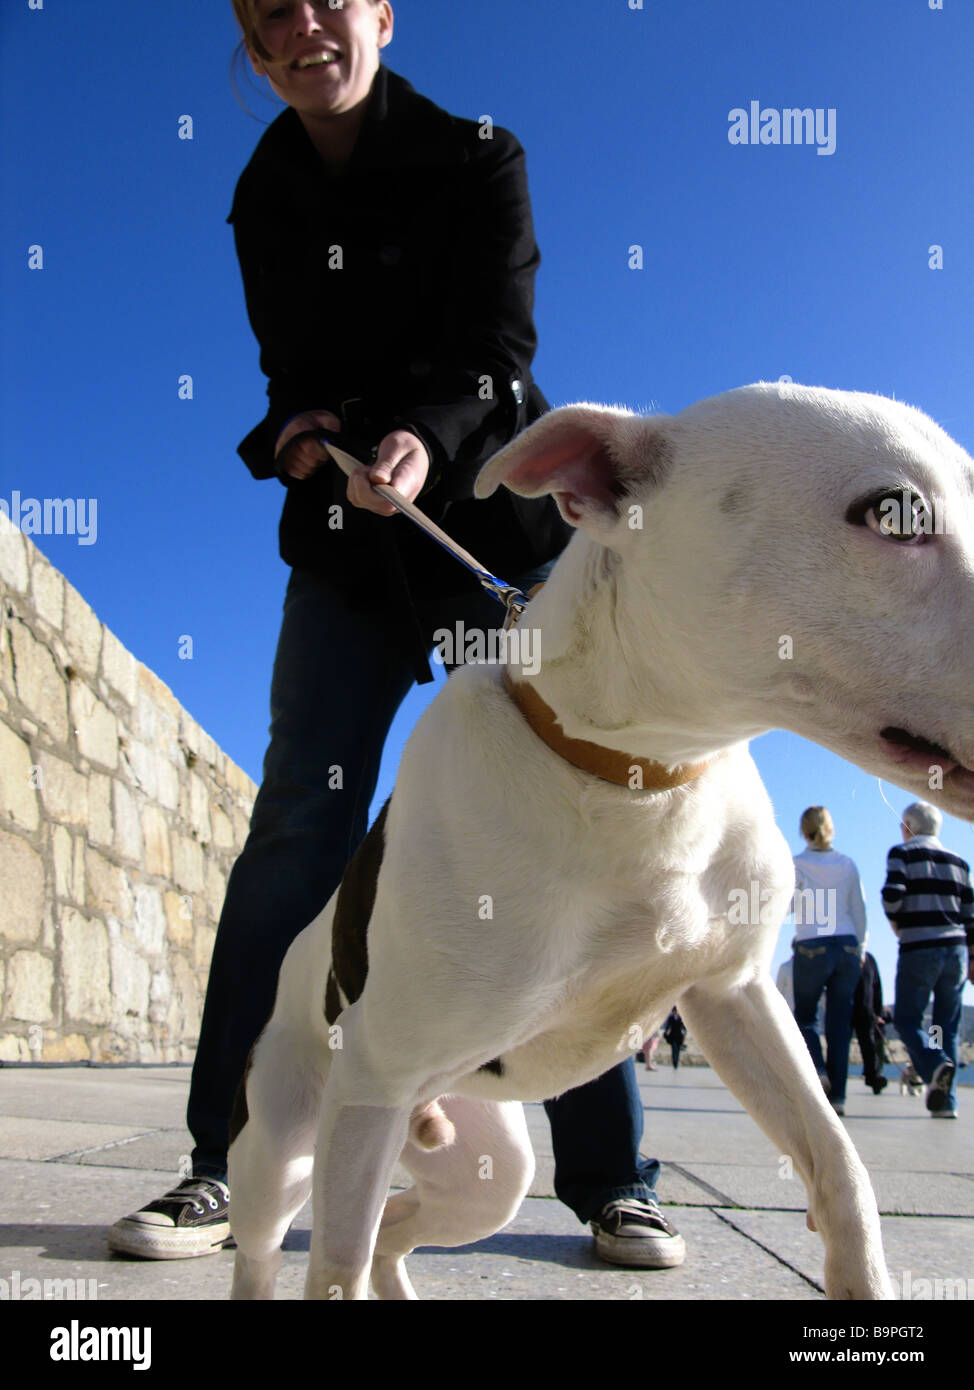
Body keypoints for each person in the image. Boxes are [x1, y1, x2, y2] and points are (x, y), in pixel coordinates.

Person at [108, 0, 684, 1273]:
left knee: (565, 824)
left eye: (328, 0)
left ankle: (609, 1180)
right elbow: (282, 377)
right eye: (268, 14)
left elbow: (499, 353)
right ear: (253, 50)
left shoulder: (481, 153)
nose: (301, 26)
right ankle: (219, 1161)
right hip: (344, 553)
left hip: (488, 534)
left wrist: (431, 438)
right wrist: (299, 437)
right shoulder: (262, 192)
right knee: (301, 827)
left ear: (379, 14)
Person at [883, 801, 974, 1118]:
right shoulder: (961, 862)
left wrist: (897, 924)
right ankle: (946, 1105)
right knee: (947, 1028)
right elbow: (969, 916)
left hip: (919, 947)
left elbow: (893, 896)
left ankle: (935, 1066)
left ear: (908, 826)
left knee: (907, 1020)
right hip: (957, 952)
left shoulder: (902, 853)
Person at [791, 807, 867, 1116]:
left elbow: (786, 904)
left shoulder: (796, 865)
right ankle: (839, 1098)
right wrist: (860, 950)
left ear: (802, 831)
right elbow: (859, 909)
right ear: (831, 829)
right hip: (847, 945)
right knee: (839, 1024)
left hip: (812, 945)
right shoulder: (847, 864)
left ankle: (818, 1070)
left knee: (805, 1018)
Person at [851, 951, 890, 1093]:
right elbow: (877, 986)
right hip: (855, 1007)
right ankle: (873, 1076)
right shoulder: (868, 959)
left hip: (865, 1010)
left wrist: (878, 1012)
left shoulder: (870, 959)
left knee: (869, 1045)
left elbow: (876, 986)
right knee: (867, 1044)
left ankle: (873, 1077)